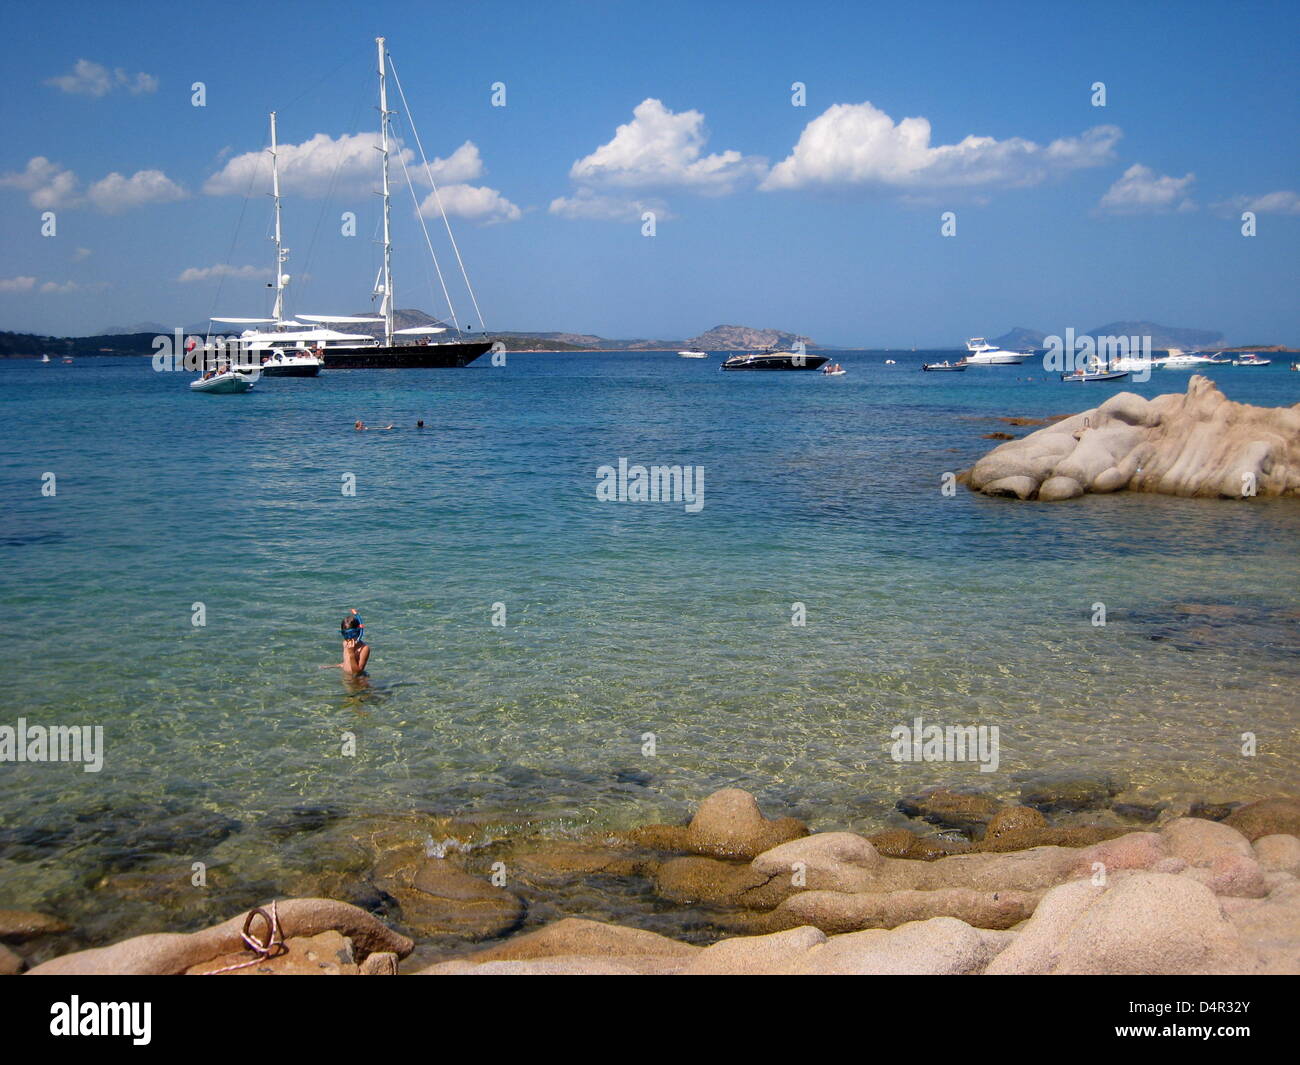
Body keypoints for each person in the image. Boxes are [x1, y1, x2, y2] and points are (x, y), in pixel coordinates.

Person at [332, 609, 370, 675]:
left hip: (358, 682)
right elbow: (346, 662)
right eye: (346, 635)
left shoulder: (364, 649)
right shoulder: (345, 643)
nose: (349, 638)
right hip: (347, 679)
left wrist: (351, 653)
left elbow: (357, 672)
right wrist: (332, 666)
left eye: (352, 634)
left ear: (358, 632)